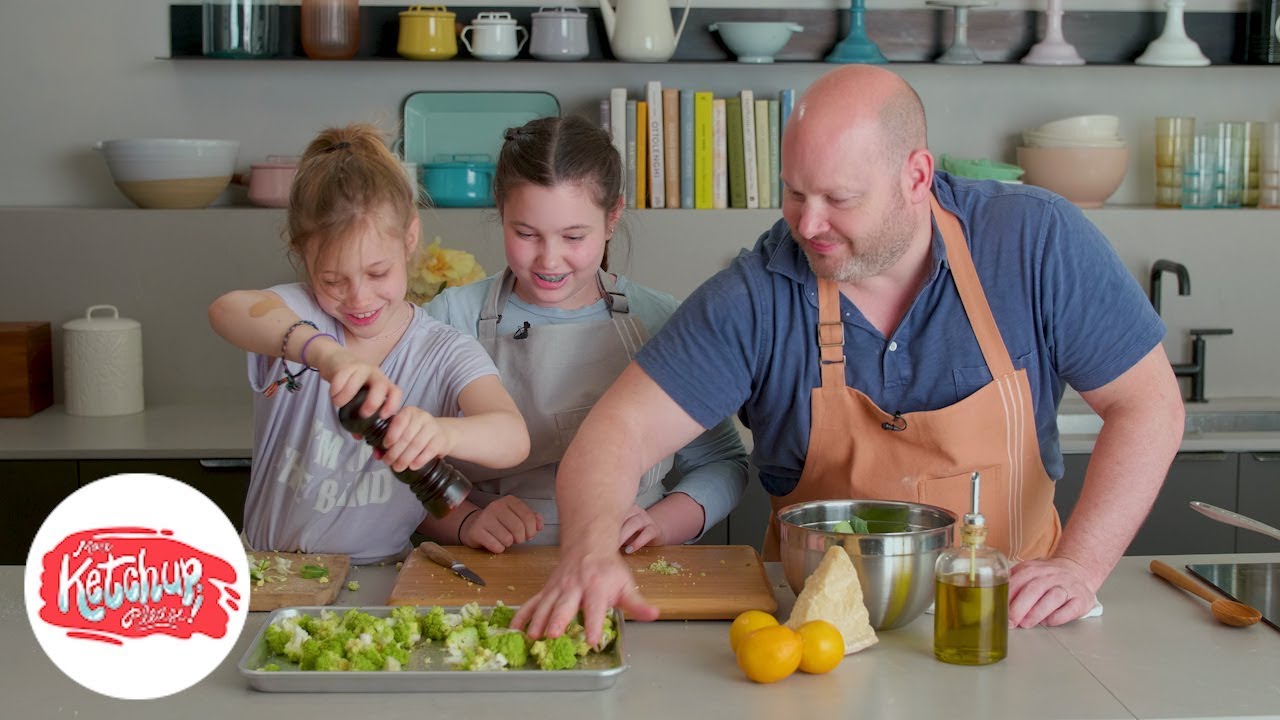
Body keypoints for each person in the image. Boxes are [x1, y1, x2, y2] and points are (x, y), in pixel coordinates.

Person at [513, 65, 1185, 644]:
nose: (807, 225)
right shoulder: (760, 292)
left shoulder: (1034, 242)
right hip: (820, 637)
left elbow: (1147, 405)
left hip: (1009, 621)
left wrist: (1079, 566)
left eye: (839, 199)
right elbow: (617, 432)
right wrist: (590, 550)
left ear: (916, 176)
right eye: (794, 193)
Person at [208, 123, 530, 565]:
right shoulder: (301, 316)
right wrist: (326, 353)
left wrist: (439, 432)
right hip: (273, 573)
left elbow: (511, 437)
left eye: (377, 273)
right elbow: (227, 310)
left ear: (409, 239)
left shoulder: (442, 351)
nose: (359, 298)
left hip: (380, 578)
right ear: (304, 256)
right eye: (333, 280)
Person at [425, 115, 748, 553]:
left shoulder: (660, 319)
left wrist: (662, 524)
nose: (549, 260)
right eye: (526, 234)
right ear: (500, 207)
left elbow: (723, 463)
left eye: (574, 236)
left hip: (626, 569)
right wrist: (464, 522)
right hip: (484, 572)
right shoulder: (448, 318)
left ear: (612, 216)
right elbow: (387, 465)